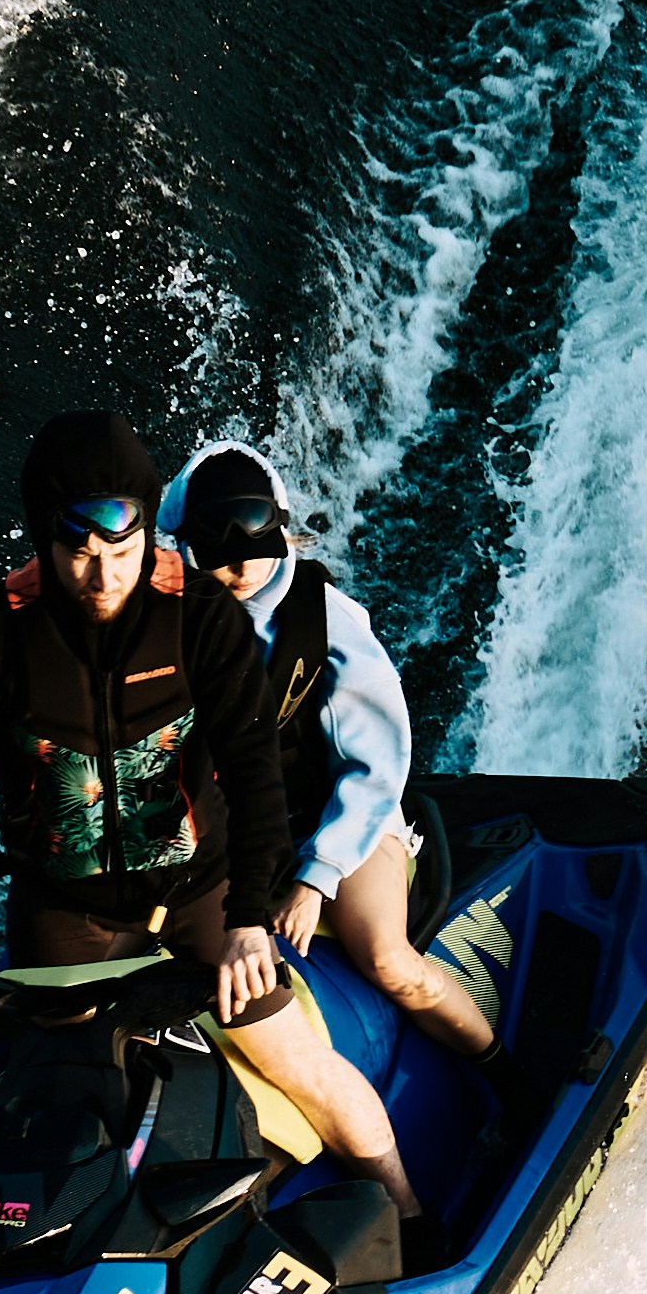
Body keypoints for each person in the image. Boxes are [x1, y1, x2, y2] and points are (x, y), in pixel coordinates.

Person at [0, 411, 435, 1217]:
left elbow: (254, 775)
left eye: (121, 548)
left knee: (299, 1065)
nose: (102, 578)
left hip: (202, 898)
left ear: (149, 530)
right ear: (43, 539)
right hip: (65, 912)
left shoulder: (197, 613)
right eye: (76, 553)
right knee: (49, 1100)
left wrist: (249, 917)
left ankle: (412, 1216)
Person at [162, 445, 499, 1078]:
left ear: (282, 534)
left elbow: (375, 765)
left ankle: (499, 1066)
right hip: (230, 836)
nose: (238, 572)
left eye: (254, 553)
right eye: (217, 558)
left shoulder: (328, 624)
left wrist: (318, 877)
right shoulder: (170, 617)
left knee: (386, 960)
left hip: (339, 823)